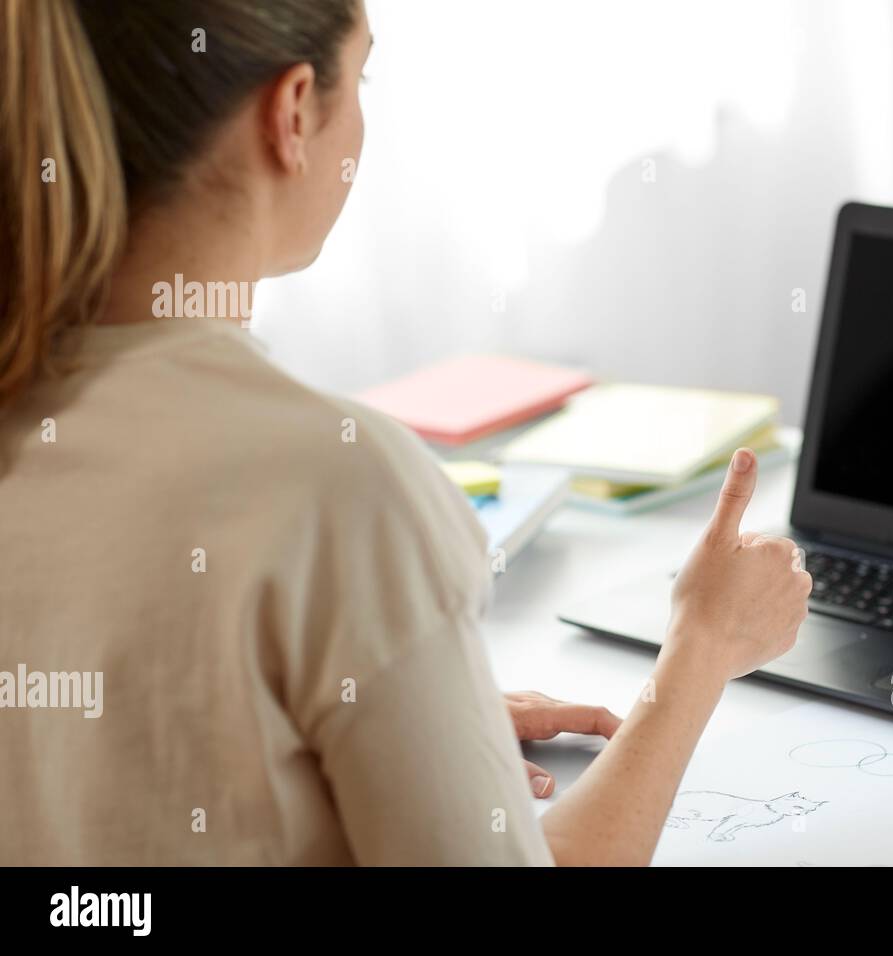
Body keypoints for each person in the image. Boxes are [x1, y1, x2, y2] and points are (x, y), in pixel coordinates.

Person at [0, 0, 811, 865]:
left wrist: (396, 713)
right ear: (293, 111)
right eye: (365, 76)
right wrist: (699, 653)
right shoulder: (338, 485)